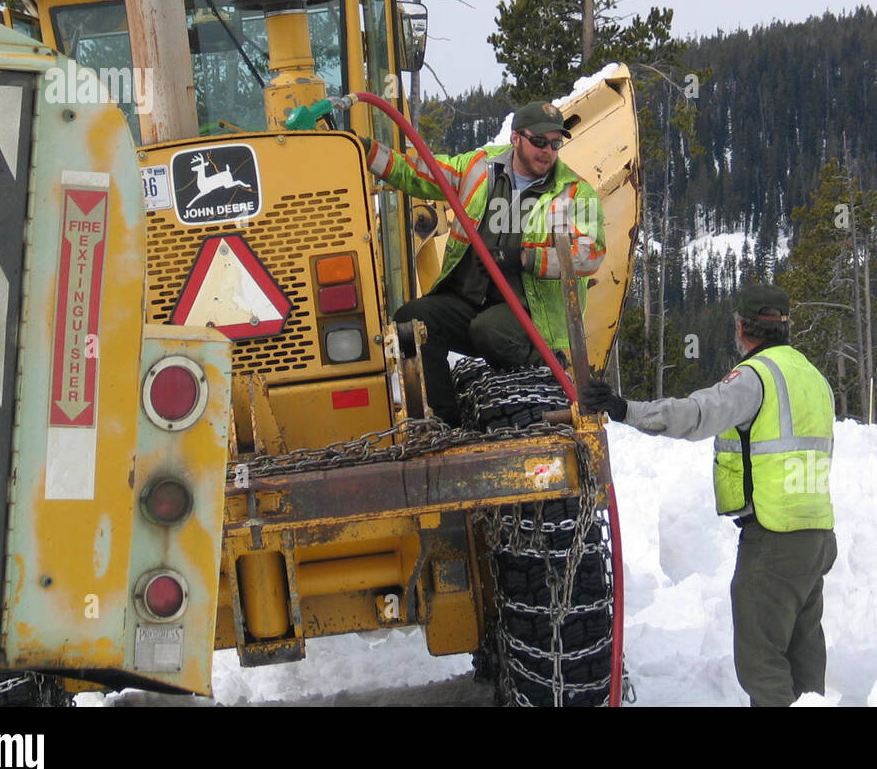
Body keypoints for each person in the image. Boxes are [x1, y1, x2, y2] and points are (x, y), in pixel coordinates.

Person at [581, 281, 837, 707]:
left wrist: (627, 409)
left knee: (760, 661)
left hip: (773, 537)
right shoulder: (813, 377)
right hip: (817, 535)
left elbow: (697, 414)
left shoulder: (755, 377)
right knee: (804, 649)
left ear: (742, 328)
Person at [359, 100, 605, 426]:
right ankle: (444, 422)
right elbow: (418, 171)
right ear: (516, 138)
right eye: (539, 141)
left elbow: (591, 254)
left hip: (530, 313)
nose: (548, 151)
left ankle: (545, 367)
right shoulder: (479, 167)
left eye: (555, 144)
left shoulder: (575, 193)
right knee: (412, 321)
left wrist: (527, 258)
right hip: (472, 299)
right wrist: (363, 150)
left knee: (489, 330)